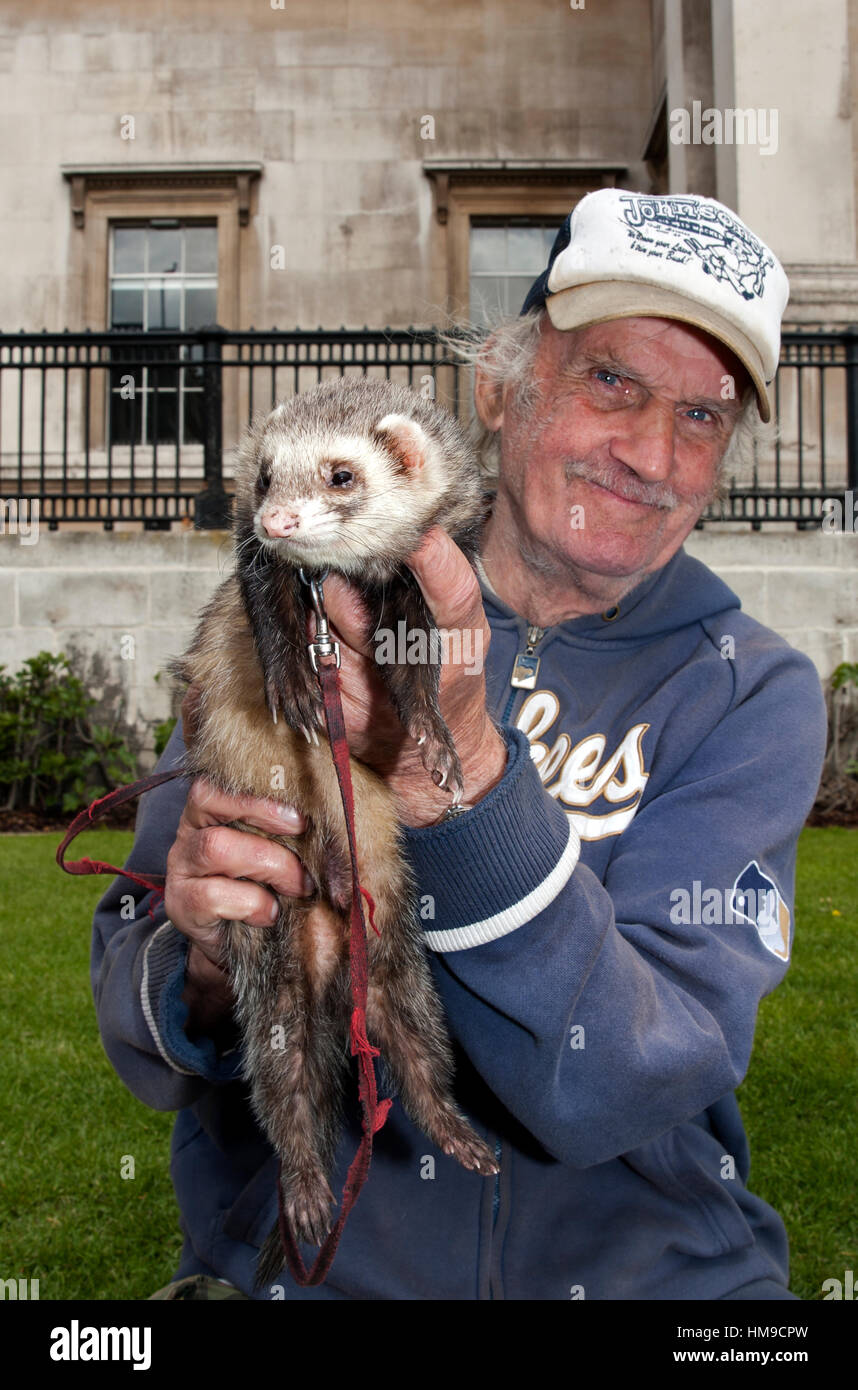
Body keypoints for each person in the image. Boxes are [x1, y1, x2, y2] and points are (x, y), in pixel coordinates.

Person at [92, 188, 827, 1301]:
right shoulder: (300, 610)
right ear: (502, 385)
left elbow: (623, 1084)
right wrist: (203, 959)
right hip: (320, 1269)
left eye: (703, 415)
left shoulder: (749, 691)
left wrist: (466, 783)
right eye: (612, 380)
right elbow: (141, 1018)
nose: (650, 454)